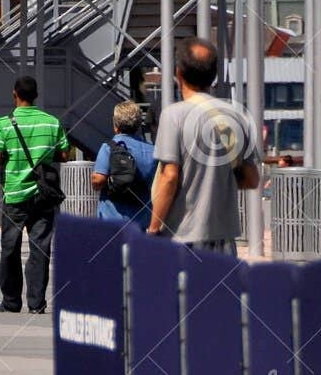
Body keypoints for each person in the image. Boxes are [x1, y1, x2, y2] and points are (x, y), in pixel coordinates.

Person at [150, 38, 261, 252]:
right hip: (224, 242)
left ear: (178, 73)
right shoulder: (236, 116)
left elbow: (169, 177)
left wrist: (154, 228)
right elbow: (251, 179)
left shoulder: (174, 116)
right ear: (214, 75)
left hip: (181, 239)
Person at [0, 75, 69, 315]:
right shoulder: (51, 122)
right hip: (43, 195)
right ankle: (36, 303)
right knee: (40, 248)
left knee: (10, 247)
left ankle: (11, 300)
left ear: (15, 93)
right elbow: (64, 155)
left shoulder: (3, 124)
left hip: (15, 194)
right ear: (36, 95)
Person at [90, 101, 155, 229]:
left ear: (115, 125)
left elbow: (98, 180)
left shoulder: (109, 148)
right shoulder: (152, 151)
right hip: (142, 221)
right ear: (138, 125)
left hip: (111, 220)